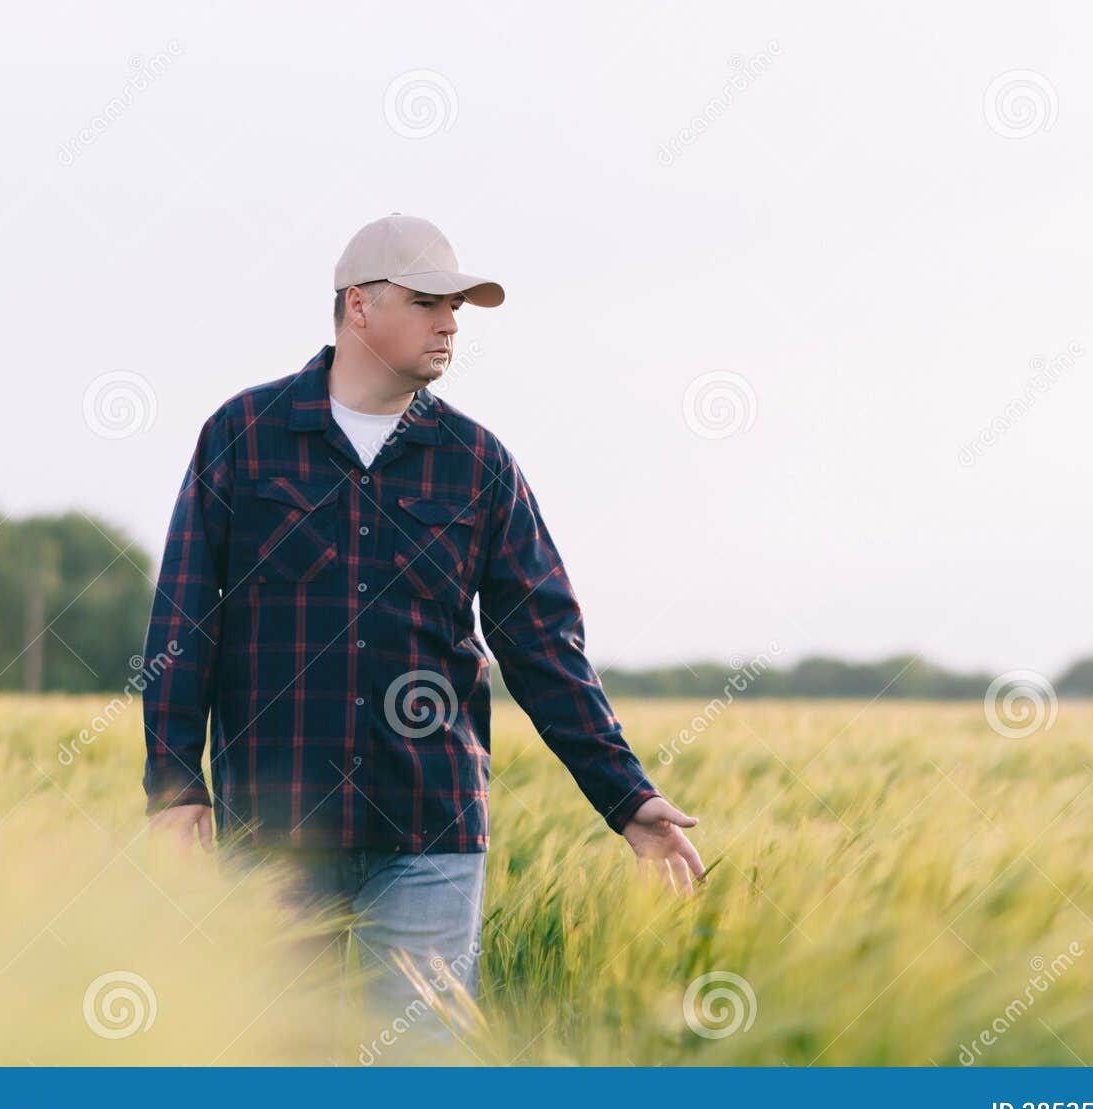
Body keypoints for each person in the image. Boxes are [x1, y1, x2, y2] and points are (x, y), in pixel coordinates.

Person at [139, 213, 704, 1056]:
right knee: (279, 1066)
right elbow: (185, 618)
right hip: (276, 826)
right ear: (359, 307)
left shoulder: (477, 462)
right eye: (428, 300)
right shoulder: (243, 437)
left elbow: (544, 645)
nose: (450, 322)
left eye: (458, 306)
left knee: (422, 1069)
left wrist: (627, 796)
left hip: (430, 828)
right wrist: (176, 783)